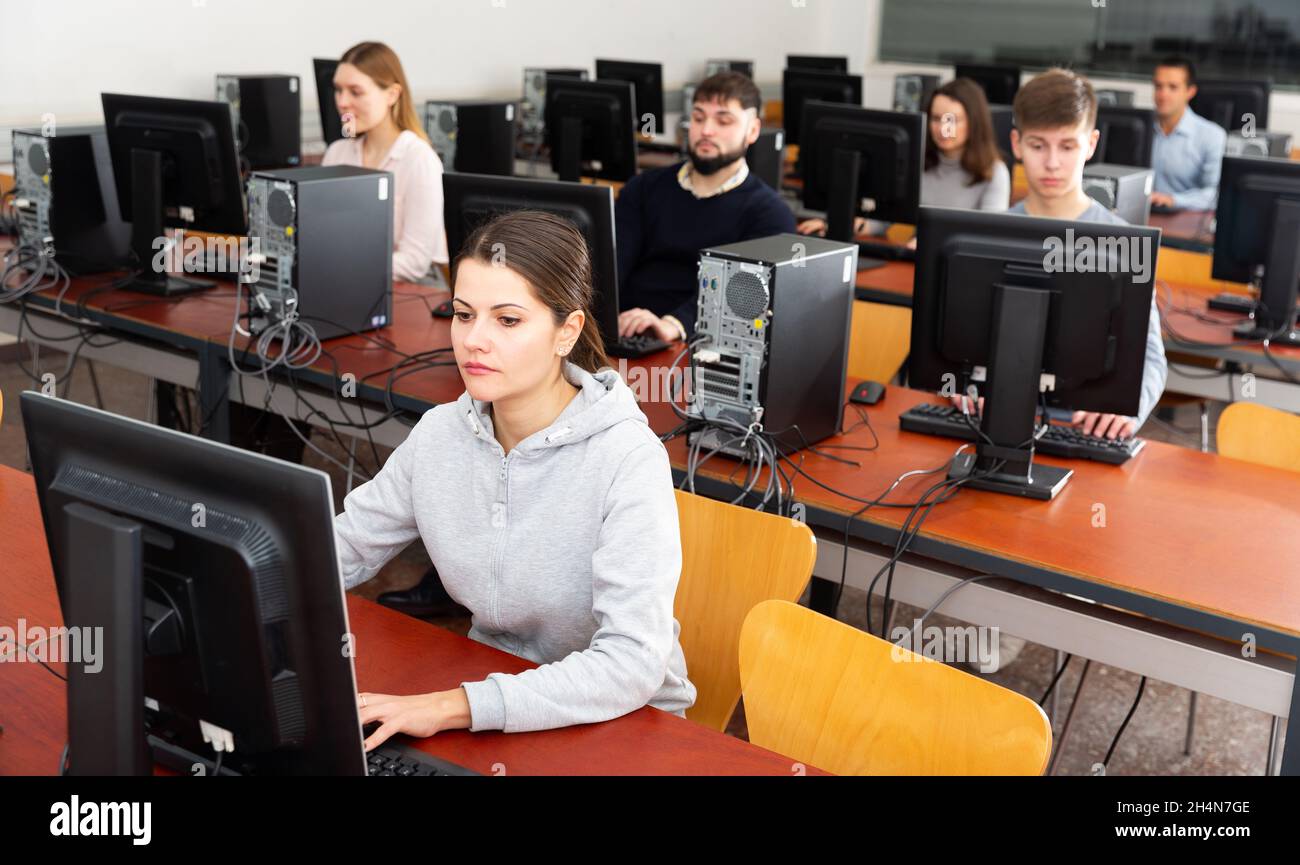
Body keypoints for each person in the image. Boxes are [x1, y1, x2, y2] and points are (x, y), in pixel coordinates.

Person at [334, 210, 696, 746]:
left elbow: (630, 663)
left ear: (565, 332)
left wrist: (454, 705)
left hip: (622, 721)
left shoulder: (626, 458)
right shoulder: (441, 434)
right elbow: (343, 545)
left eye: (507, 320)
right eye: (463, 314)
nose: (473, 340)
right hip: (491, 692)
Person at [996, 67, 1168, 441]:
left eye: (1068, 146)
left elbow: (1151, 356)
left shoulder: (1124, 242)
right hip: (995, 417)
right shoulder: (990, 234)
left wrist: (1129, 409)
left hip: (1085, 426)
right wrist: (963, 388)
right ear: (1016, 143)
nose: (1053, 163)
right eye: (1038, 145)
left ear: (1090, 144)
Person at [615, 72, 795, 343]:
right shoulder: (644, 188)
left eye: (723, 121)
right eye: (699, 118)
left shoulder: (769, 214)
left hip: (696, 344)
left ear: (753, 131)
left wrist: (672, 325)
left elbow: (738, 296)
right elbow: (614, 265)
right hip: (624, 330)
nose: (707, 130)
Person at [797, 76, 1011, 239]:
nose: (943, 128)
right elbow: (887, 219)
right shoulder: (915, 161)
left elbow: (987, 238)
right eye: (936, 119)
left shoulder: (994, 172)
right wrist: (842, 224)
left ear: (974, 122)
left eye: (953, 120)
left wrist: (932, 243)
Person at [323, 41, 448, 282]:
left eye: (355, 92)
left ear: (392, 94)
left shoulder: (418, 159)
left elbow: (414, 263)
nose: (342, 102)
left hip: (410, 291)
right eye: (338, 90)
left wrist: (339, 265)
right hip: (347, 282)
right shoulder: (337, 153)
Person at [1149, 56, 1227, 212]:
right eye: (1158, 86)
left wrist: (1173, 200)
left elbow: (1214, 194)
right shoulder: (1140, 128)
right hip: (1141, 217)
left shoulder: (1212, 136)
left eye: (1173, 87)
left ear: (1190, 91)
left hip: (1185, 221)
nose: (1163, 95)